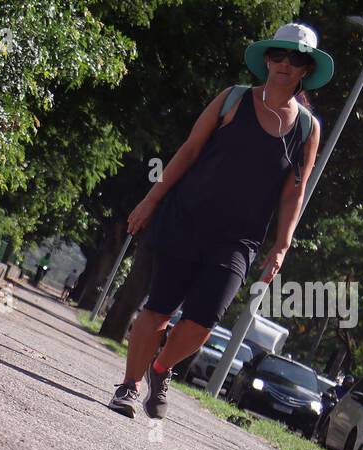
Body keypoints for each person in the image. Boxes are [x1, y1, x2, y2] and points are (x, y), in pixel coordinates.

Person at [108, 23, 332, 420]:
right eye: (278, 55)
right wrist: (150, 200)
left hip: (238, 241)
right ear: (267, 60)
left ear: (305, 70)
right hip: (185, 219)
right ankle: (129, 385)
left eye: (295, 58)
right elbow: (189, 151)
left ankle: (160, 368)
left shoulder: (306, 129)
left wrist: (282, 246)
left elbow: (292, 193)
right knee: (157, 310)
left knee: (202, 324)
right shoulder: (233, 99)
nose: (284, 63)